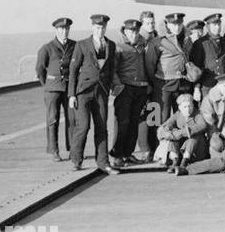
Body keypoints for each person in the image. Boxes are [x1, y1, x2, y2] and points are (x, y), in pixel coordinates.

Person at [67, 14, 120, 175]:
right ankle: (76, 160)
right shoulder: (82, 45)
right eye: (97, 27)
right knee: (83, 126)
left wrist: (111, 87)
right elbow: (73, 71)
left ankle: (103, 162)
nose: (100, 30)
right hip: (83, 92)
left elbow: (110, 69)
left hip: (101, 92)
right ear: (92, 27)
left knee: (102, 127)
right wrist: (71, 95)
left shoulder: (110, 45)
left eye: (103, 27)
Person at [111, 18, 154, 167]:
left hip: (140, 88)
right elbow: (113, 69)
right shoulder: (119, 46)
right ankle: (117, 156)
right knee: (122, 123)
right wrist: (118, 86)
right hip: (126, 88)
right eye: (131, 31)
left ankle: (127, 154)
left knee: (134, 123)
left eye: (136, 31)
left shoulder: (142, 45)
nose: (134, 34)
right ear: (125, 31)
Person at [37, 17, 75, 161]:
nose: (64, 32)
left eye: (66, 29)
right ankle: (54, 150)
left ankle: (73, 149)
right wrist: (47, 85)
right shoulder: (47, 48)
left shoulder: (74, 46)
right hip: (53, 89)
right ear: (56, 30)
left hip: (69, 88)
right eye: (61, 29)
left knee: (72, 119)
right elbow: (40, 69)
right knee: (53, 119)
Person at [156, 92, 209, 174]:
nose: (188, 109)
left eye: (190, 106)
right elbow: (163, 127)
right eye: (185, 107)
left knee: (194, 137)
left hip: (197, 149)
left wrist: (182, 132)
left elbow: (202, 125)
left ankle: (184, 162)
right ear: (180, 107)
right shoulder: (177, 115)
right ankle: (175, 162)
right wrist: (169, 133)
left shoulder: (198, 114)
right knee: (172, 138)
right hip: (181, 148)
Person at [152, 12, 190, 125]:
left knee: (182, 118)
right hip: (164, 83)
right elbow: (150, 65)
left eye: (179, 24)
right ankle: (161, 142)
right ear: (167, 25)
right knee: (162, 117)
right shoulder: (158, 41)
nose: (177, 27)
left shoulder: (187, 39)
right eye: (173, 24)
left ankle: (180, 142)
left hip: (182, 82)